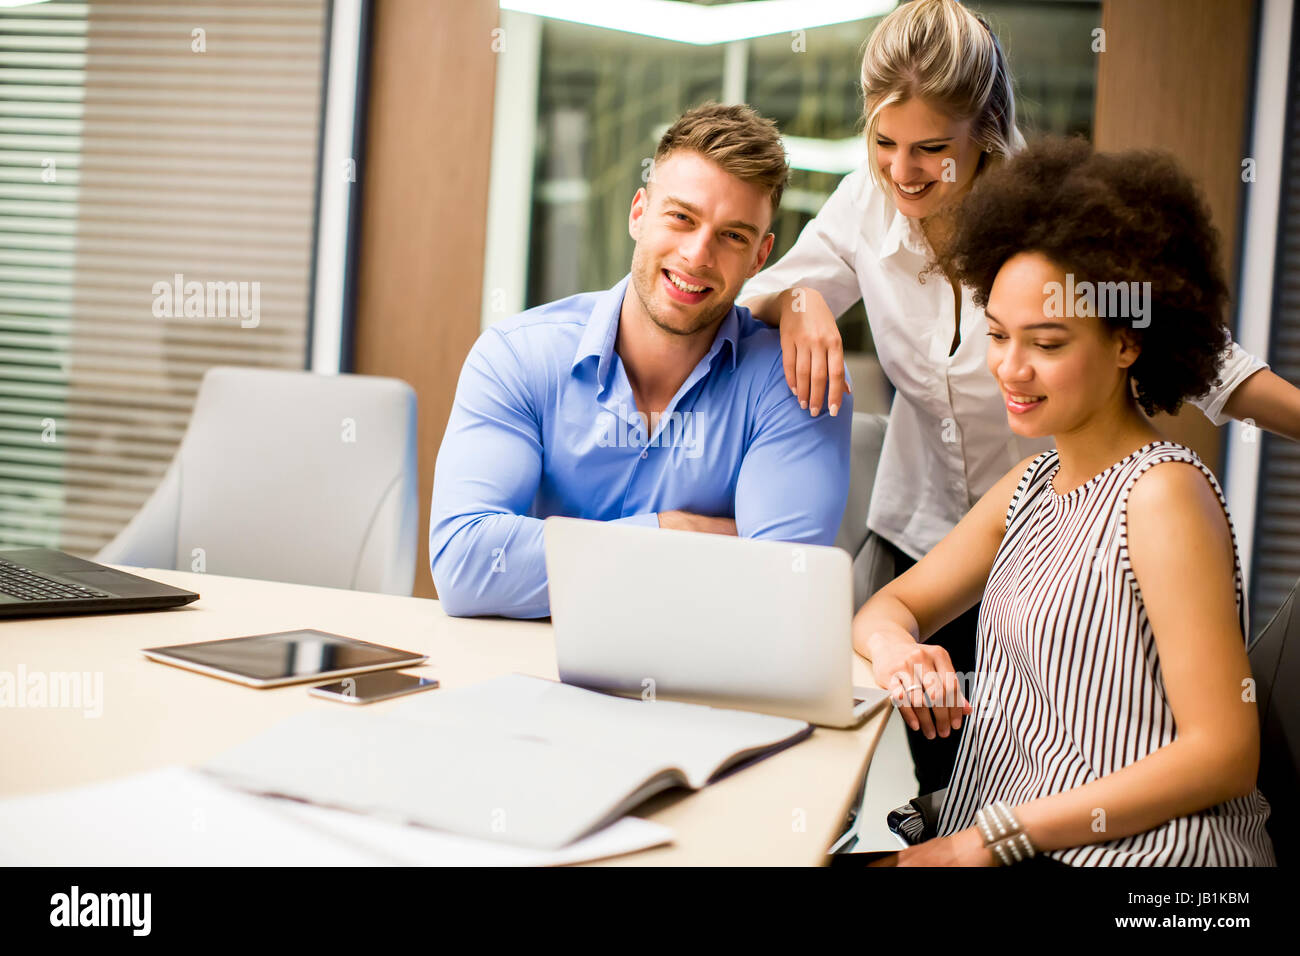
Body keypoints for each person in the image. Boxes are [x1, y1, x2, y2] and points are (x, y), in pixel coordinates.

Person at [741, 0, 1300, 793]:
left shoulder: (1052, 229)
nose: (903, 172)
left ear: (987, 134)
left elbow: (1208, 362)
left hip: (1060, 551)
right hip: (930, 535)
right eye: (884, 144)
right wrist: (797, 299)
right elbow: (765, 292)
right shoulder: (867, 204)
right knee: (903, 767)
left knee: (1045, 755)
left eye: (933, 150)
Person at [855, 137, 1275, 867]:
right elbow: (885, 609)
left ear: (1126, 344)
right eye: (997, 335)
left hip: (1156, 864)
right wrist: (902, 653)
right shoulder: (1030, 489)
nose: (1010, 369)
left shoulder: (1161, 495)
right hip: (1036, 840)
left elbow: (1226, 753)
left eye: (1046, 343)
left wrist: (992, 839)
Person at [430, 103, 853, 618]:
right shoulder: (518, 357)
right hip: (530, 675)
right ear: (639, 213)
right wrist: (674, 530)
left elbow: (781, 594)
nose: (698, 255)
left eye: (732, 236)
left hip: (699, 684)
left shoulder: (793, 382)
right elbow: (466, 565)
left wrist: (564, 560)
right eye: (681, 217)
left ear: (760, 257)